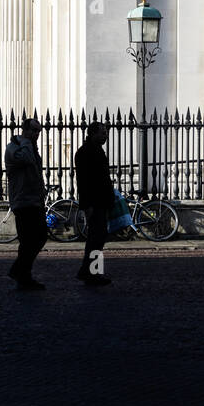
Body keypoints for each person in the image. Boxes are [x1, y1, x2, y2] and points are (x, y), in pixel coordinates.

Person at [5, 117, 47, 291]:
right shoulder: (14, 148)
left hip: (34, 200)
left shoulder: (30, 147)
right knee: (28, 240)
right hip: (22, 201)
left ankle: (20, 272)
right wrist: (26, 143)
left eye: (39, 131)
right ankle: (23, 275)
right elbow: (27, 160)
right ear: (25, 130)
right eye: (34, 130)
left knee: (39, 237)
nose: (37, 134)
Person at [74, 122, 115, 286]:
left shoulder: (95, 150)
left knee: (98, 238)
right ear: (93, 134)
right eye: (103, 133)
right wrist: (87, 205)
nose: (105, 135)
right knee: (96, 238)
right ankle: (91, 273)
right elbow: (83, 182)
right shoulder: (85, 153)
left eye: (106, 132)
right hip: (94, 202)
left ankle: (90, 272)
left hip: (101, 201)